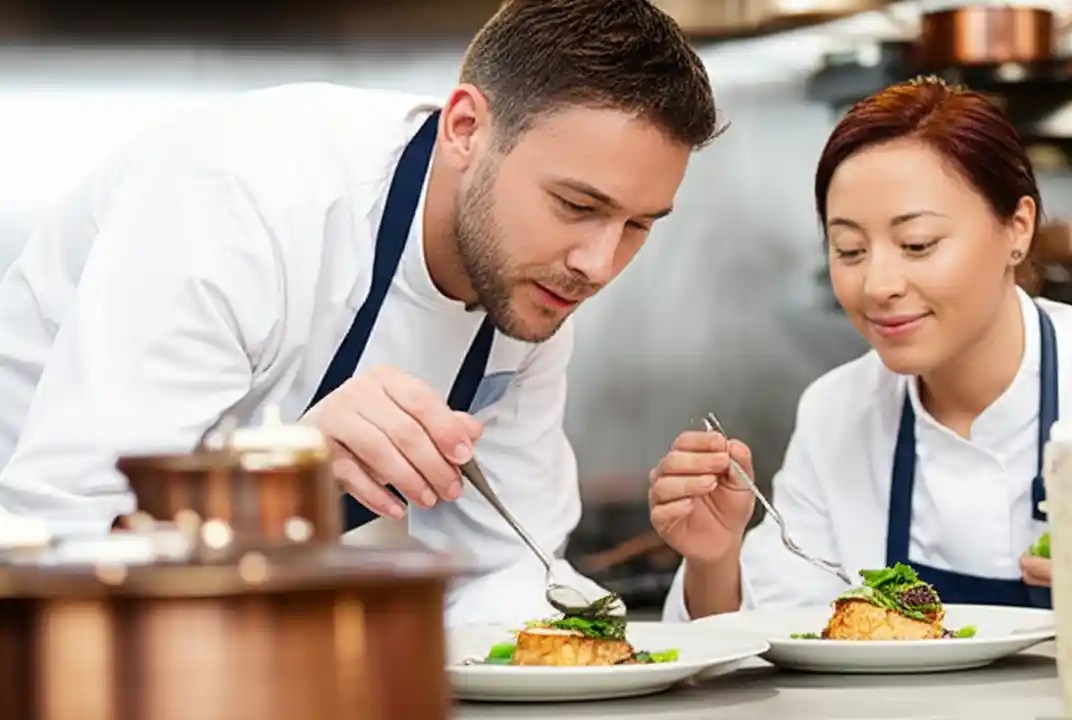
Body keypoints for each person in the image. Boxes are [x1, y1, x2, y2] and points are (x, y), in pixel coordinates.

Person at [0, 0, 720, 624]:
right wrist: (277, 477)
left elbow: (503, 571)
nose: (599, 264)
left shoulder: (533, 285)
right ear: (466, 127)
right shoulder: (237, 201)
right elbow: (66, 537)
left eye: (638, 225)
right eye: (576, 205)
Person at [649, 76, 1072, 621]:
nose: (879, 285)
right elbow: (773, 639)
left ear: (1018, 227)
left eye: (918, 244)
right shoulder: (837, 413)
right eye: (849, 250)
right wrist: (714, 559)